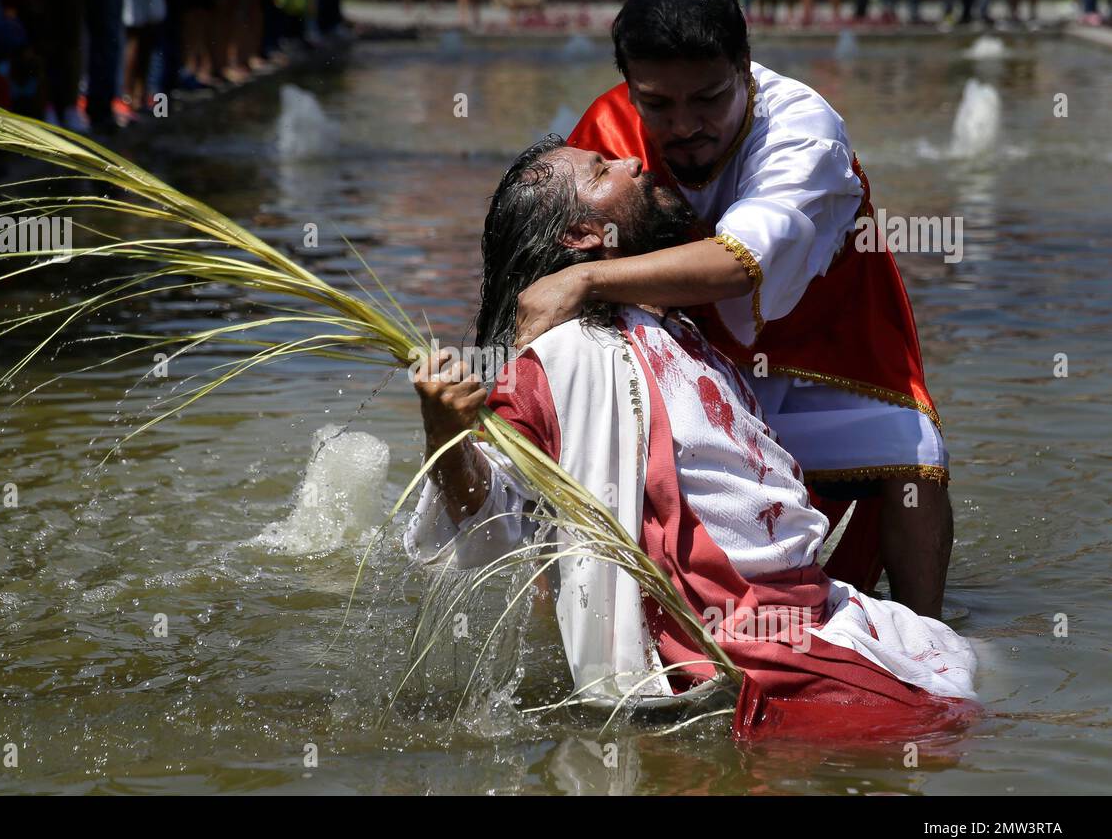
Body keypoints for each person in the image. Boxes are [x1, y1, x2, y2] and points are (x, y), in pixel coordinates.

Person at [404, 135, 978, 736]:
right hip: (741, 652)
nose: (632, 161)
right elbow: (489, 522)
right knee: (953, 736)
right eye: (603, 170)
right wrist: (445, 433)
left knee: (968, 665)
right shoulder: (560, 358)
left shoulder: (671, 322)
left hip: (818, 610)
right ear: (582, 237)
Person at [513, 0, 953, 620]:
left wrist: (586, 279)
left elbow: (738, 263)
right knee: (594, 464)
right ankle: (598, 624)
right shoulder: (606, 129)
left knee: (915, 460)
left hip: (826, 330)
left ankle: (930, 635)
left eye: (710, 98)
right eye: (657, 105)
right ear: (630, 84)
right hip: (682, 340)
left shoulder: (802, 127)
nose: (684, 126)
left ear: (744, 70)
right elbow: (546, 266)